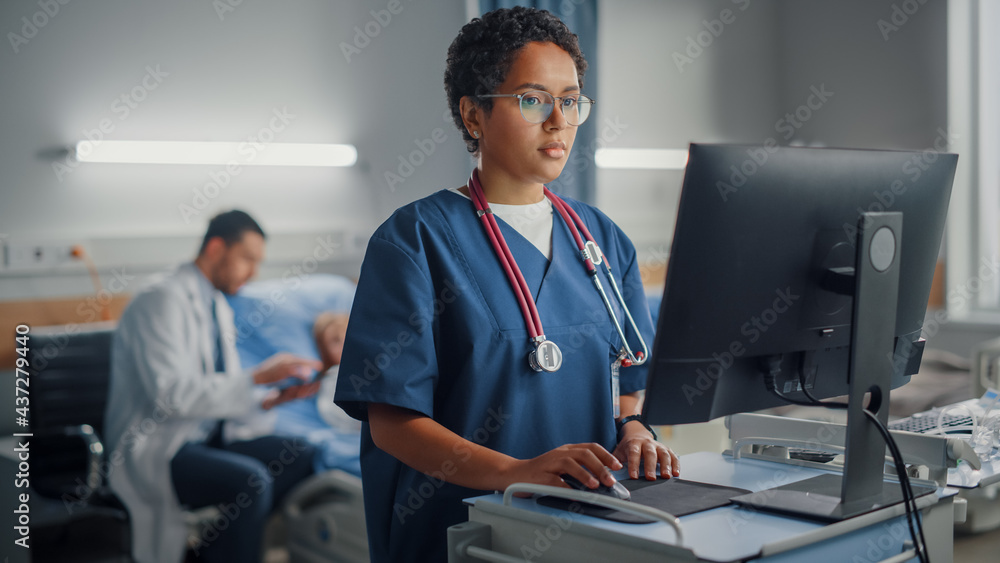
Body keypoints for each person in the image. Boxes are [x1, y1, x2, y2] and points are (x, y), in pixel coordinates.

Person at [334, 8, 679, 562]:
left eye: (569, 101)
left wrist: (635, 432)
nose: (557, 120)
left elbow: (628, 384)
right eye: (533, 99)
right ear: (473, 115)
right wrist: (516, 473)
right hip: (462, 531)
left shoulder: (603, 239)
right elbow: (392, 423)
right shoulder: (415, 239)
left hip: (588, 527)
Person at [104, 210, 323, 563]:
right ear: (217, 248)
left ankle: (216, 552)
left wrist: (270, 399)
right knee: (251, 482)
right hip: (162, 446)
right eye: (247, 259)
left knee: (301, 454)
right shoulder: (160, 300)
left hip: (207, 435)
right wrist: (257, 377)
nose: (253, 273)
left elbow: (219, 388)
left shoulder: (216, 304)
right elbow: (172, 396)